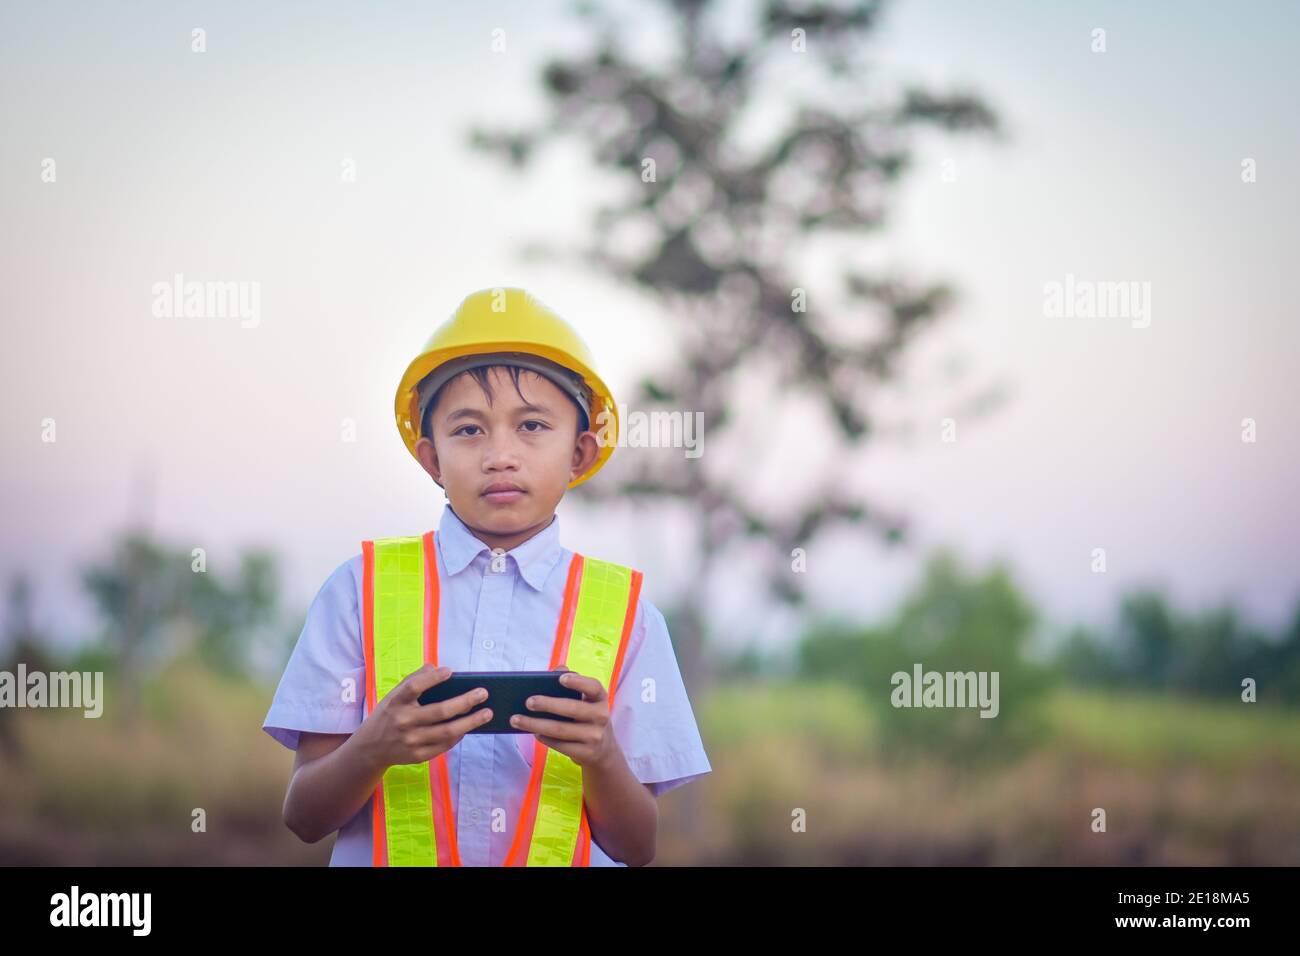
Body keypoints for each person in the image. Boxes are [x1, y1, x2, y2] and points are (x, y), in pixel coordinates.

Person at [262, 286, 711, 866]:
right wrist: (374, 747)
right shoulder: (358, 592)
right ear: (432, 459)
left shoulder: (628, 615)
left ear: (579, 453)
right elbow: (303, 818)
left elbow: (638, 846)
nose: (500, 454)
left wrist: (601, 755)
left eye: (531, 427)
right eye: (469, 430)